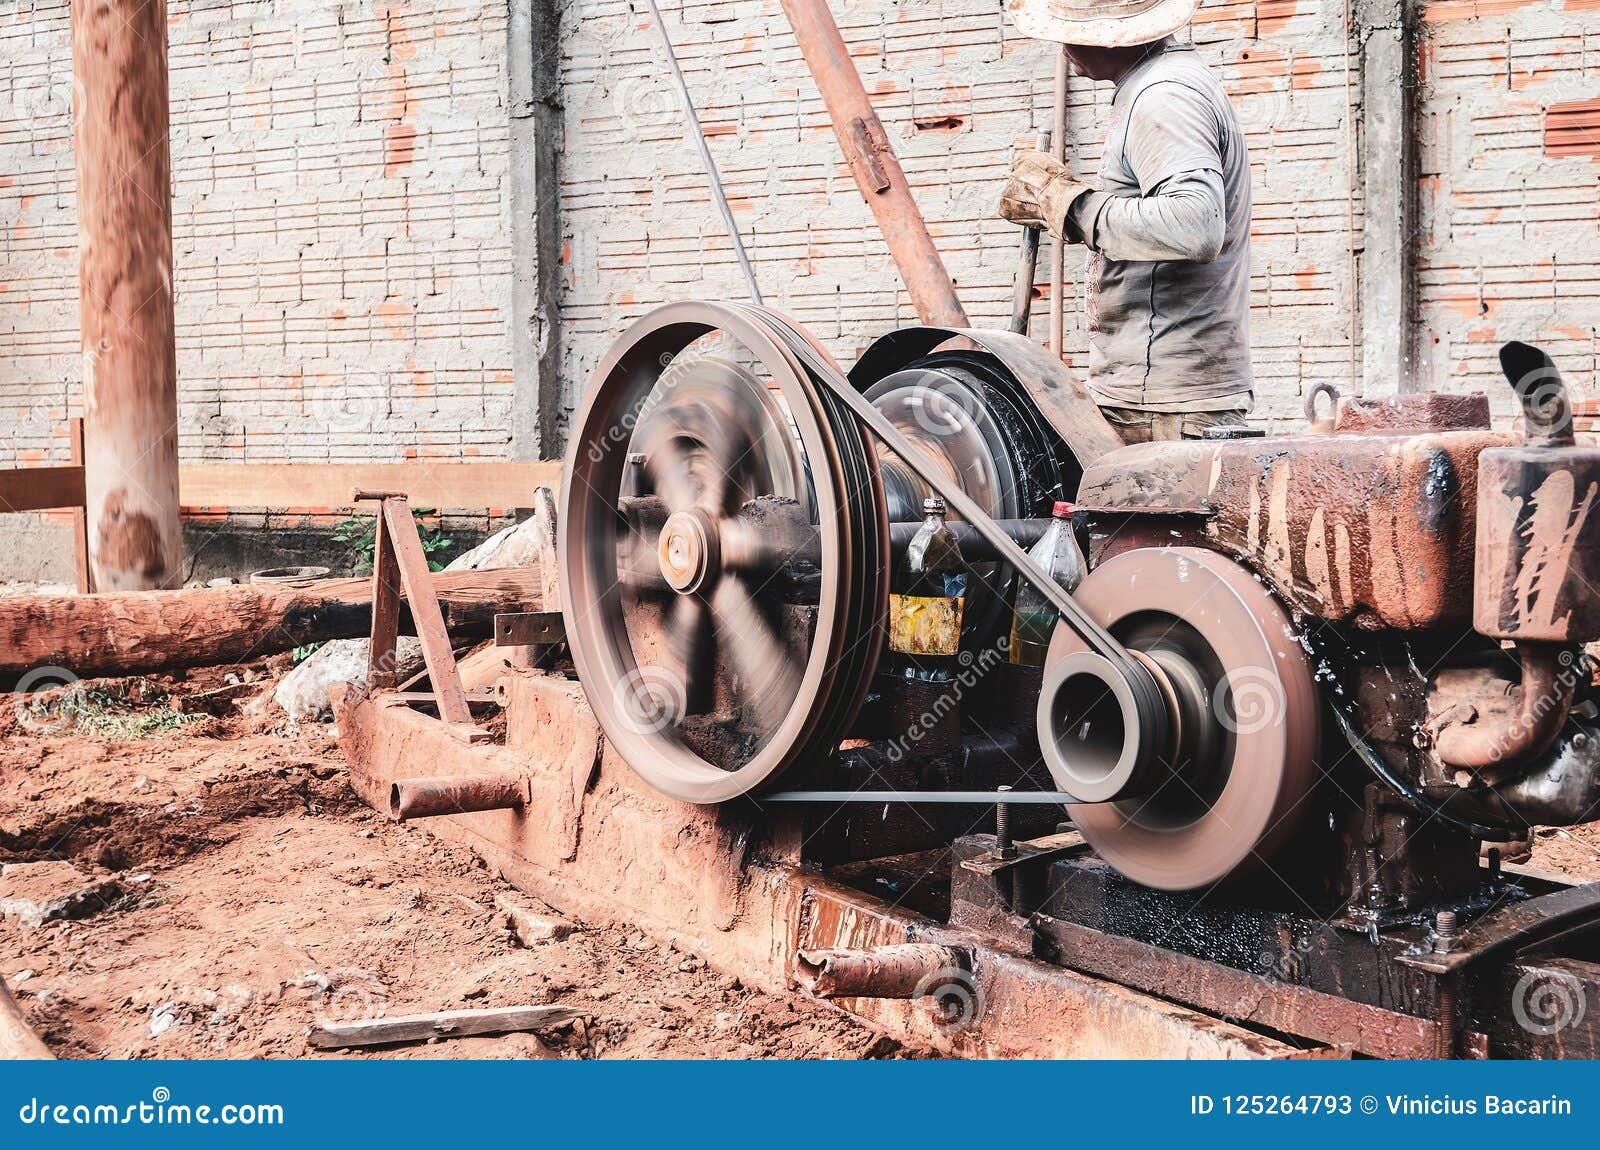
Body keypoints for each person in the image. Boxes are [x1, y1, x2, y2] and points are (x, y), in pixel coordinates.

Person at [998, 0, 1253, 444]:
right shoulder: (1156, 84)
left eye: (1073, 34)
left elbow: (1194, 224)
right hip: (1159, 396)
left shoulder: (1164, 97)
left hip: (1164, 408)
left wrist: (1068, 207)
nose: (1063, 47)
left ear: (1114, 36)